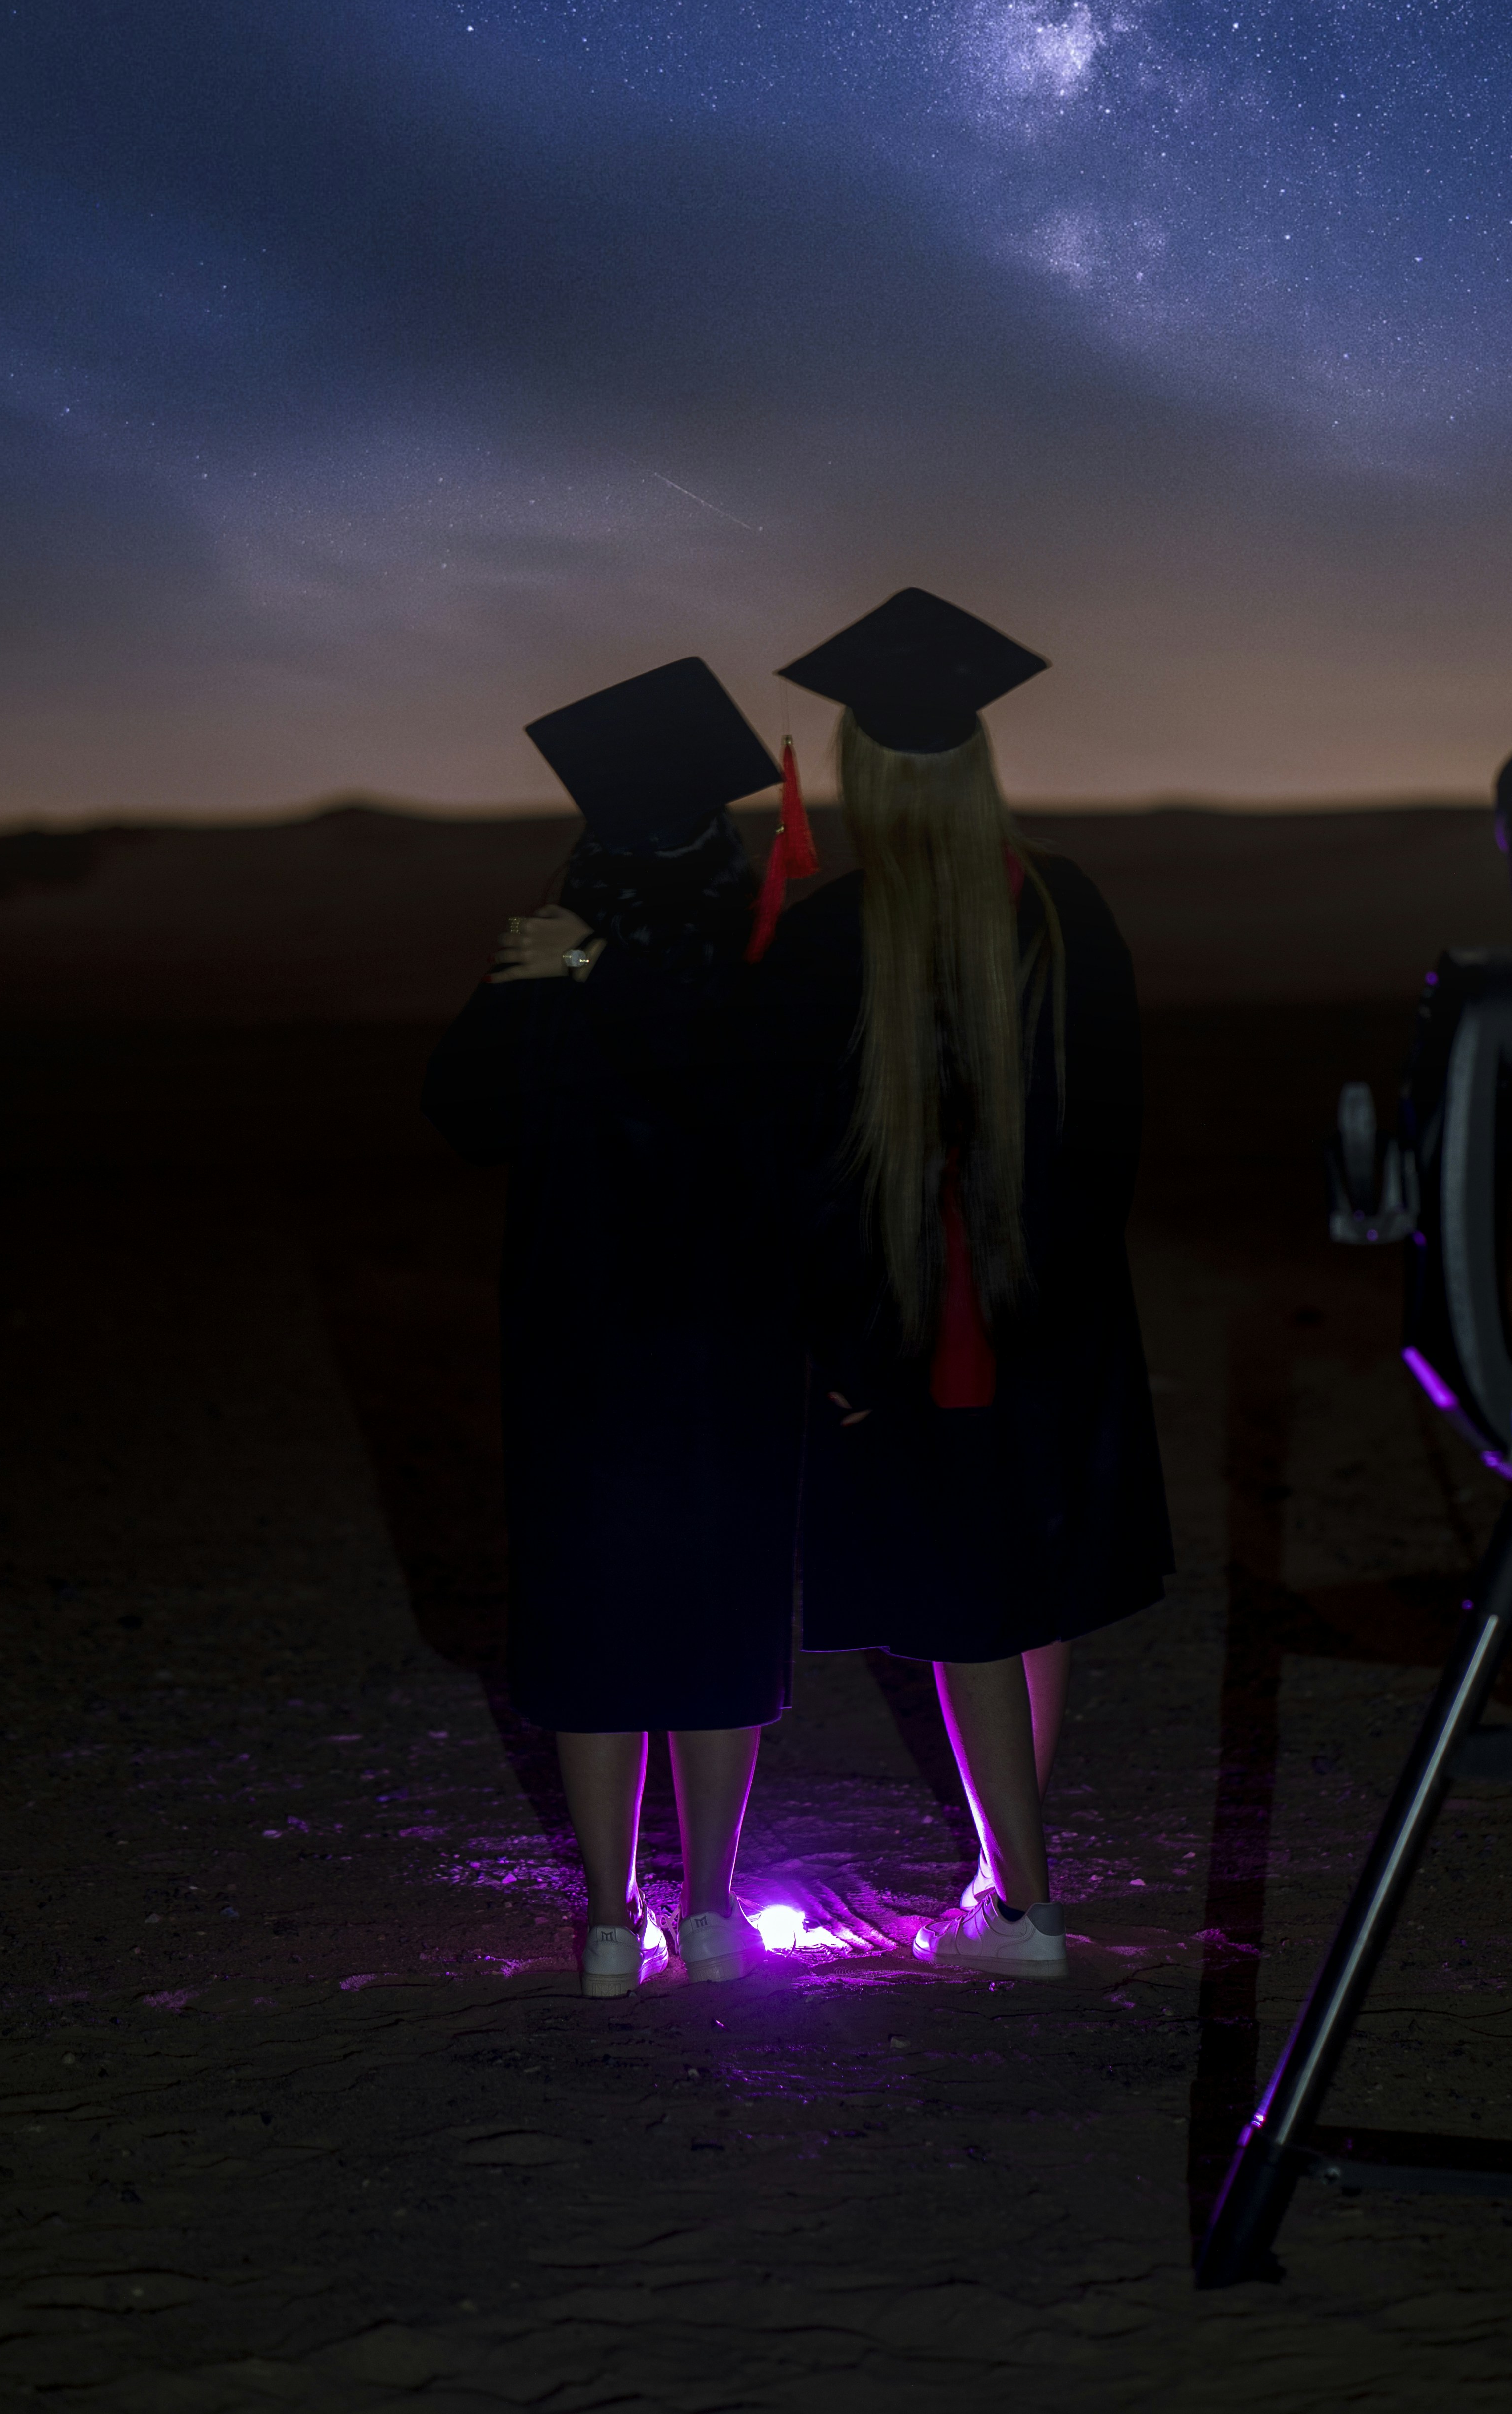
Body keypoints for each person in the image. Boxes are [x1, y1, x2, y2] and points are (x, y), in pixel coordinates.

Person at [756, 587, 1173, 1977]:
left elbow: (799, 1163)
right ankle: (1008, 1875)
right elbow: (1111, 1128)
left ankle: (1024, 1908)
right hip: (1049, 1304)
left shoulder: (831, 938)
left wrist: (838, 1343)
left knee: (971, 1610)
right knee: (1024, 1590)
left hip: (917, 1324)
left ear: (866, 775)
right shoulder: (1065, 909)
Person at [421, 657, 805, 1995]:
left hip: (580, 1339)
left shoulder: (570, 941)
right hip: (720, 1337)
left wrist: (551, 973)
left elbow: (462, 1113)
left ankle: (605, 1921)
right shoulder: (751, 949)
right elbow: (738, 1096)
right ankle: (709, 1912)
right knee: (712, 1609)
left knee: (595, 1613)